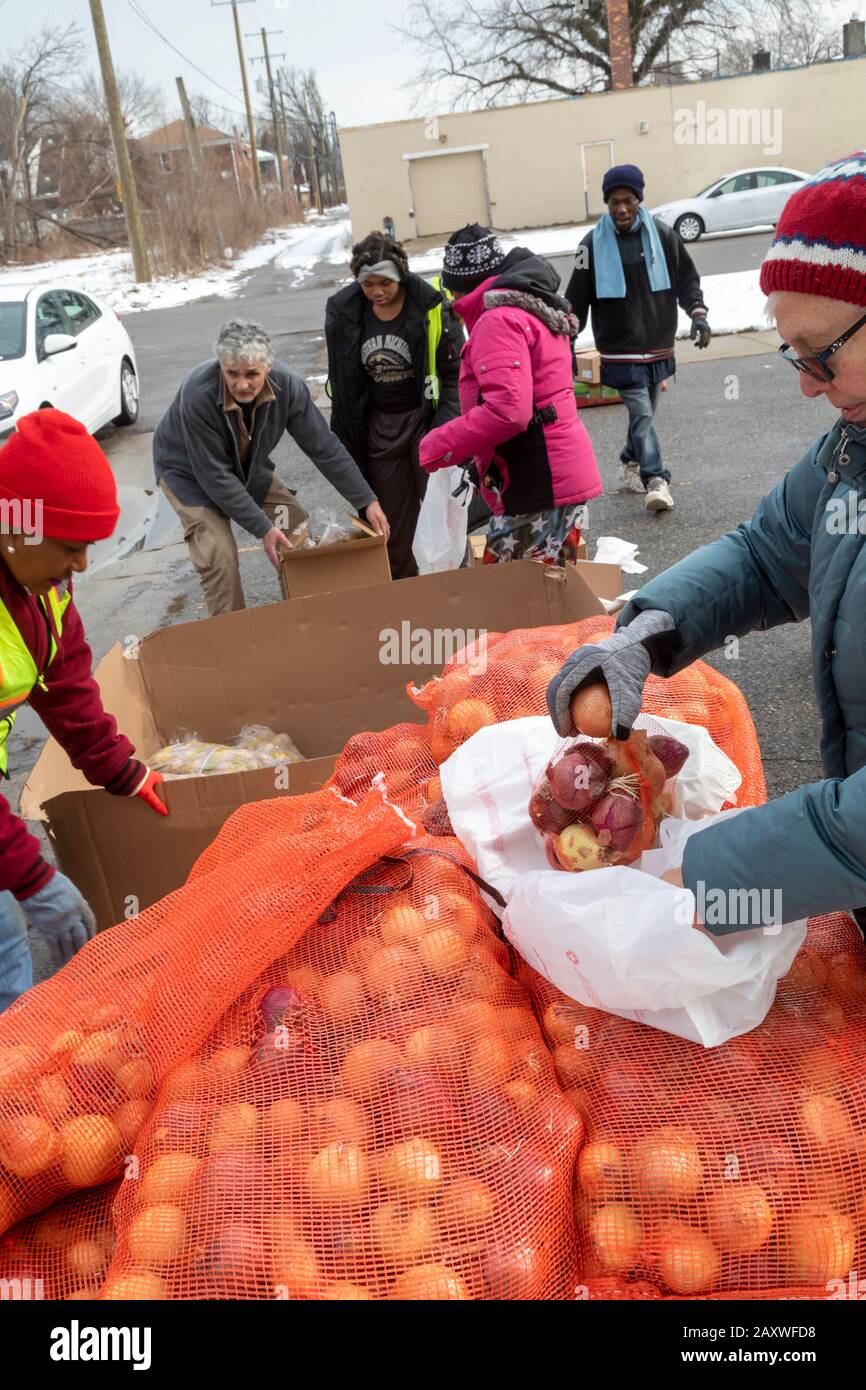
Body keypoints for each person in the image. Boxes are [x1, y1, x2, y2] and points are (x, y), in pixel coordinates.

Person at [548, 151, 866, 935]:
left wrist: (707, 874)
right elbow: (768, 554)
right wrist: (647, 631)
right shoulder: (852, 449)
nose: (804, 384)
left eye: (821, 353)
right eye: (792, 353)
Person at [0, 411, 168, 1009]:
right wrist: (32, 877)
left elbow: (65, 685)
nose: (82, 567)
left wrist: (122, 769)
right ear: (16, 525)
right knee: (6, 940)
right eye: (71, 548)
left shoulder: (41, 586)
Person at [154, 320, 389, 615]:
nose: (241, 384)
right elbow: (214, 476)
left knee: (296, 534)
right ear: (221, 366)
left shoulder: (287, 386)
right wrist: (263, 528)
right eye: (232, 374)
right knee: (220, 556)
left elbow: (323, 446)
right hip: (189, 475)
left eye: (251, 374)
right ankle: (236, 645)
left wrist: (365, 499)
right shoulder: (198, 393)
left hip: (249, 467)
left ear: (267, 366)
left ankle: (305, 622)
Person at [419, 224, 602, 566]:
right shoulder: (529, 307)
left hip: (538, 481)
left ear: (463, 287)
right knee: (550, 594)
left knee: (512, 600)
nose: (452, 302)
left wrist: (438, 445)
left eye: (453, 292)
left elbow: (509, 412)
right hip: (552, 474)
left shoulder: (497, 321)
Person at [566, 164, 712, 514]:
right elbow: (576, 297)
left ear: (639, 200)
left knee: (643, 415)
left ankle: (629, 461)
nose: (621, 209)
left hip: (659, 345)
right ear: (607, 203)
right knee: (642, 413)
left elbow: (686, 280)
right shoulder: (590, 245)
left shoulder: (663, 236)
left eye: (628, 200)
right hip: (619, 349)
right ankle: (655, 480)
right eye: (614, 202)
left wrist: (698, 313)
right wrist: (566, 340)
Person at [325, 232, 464, 579]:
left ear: (400, 274)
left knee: (441, 518)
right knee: (392, 528)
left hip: (425, 423)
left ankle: (455, 588)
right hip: (379, 430)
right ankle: (406, 596)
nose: (377, 291)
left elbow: (455, 374)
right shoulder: (345, 313)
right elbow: (344, 383)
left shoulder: (430, 306)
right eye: (368, 283)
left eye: (384, 282)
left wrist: (443, 431)